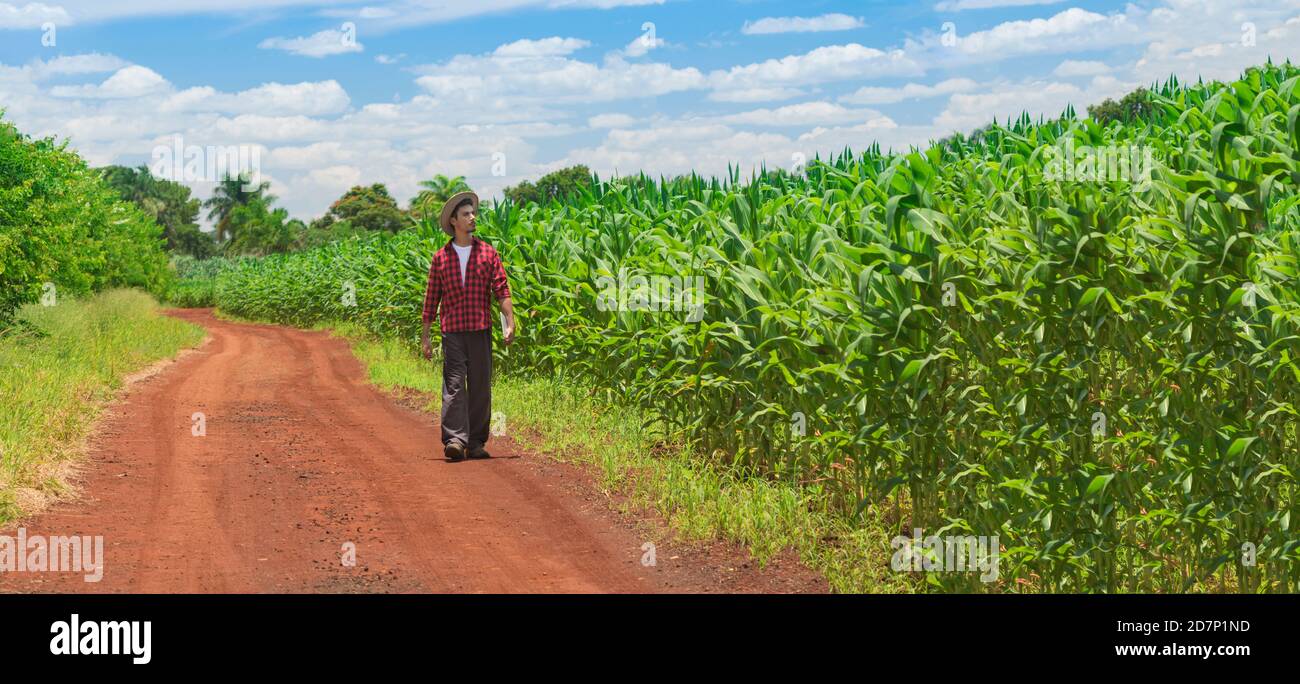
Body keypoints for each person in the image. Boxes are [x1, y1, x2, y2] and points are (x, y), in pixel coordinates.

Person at [420, 191, 516, 461]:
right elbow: (431, 299)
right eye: (466, 214)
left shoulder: (488, 253)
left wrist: (510, 321)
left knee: (480, 386)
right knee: (453, 386)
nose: (473, 217)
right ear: (453, 221)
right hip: (452, 332)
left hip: (480, 329)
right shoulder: (441, 258)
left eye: (473, 212)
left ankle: (474, 442)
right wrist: (426, 336)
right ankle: (454, 440)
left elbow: (502, 290)